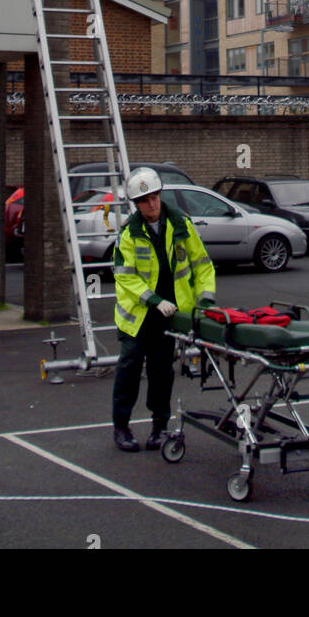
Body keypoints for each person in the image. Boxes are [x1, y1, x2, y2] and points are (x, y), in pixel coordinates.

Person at [112, 167, 216, 452]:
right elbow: (125, 276)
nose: (152, 203)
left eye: (155, 197)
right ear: (136, 204)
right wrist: (154, 300)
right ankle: (121, 428)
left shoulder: (181, 224)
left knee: (161, 373)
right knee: (129, 371)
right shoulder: (129, 234)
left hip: (170, 316)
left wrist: (205, 300)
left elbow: (202, 264)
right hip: (139, 316)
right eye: (145, 200)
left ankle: (159, 427)